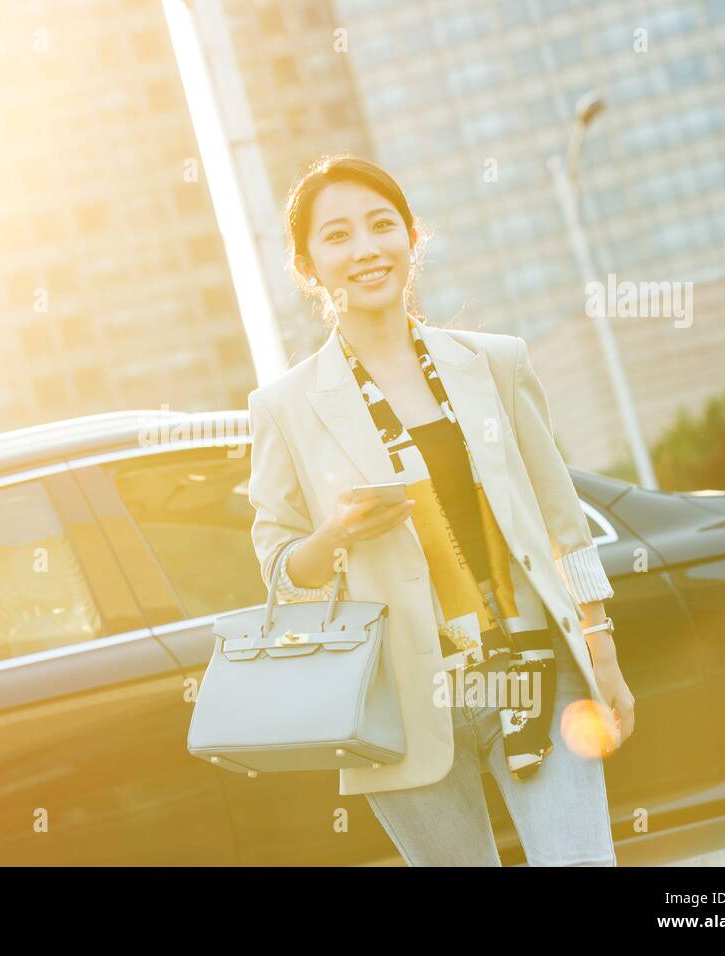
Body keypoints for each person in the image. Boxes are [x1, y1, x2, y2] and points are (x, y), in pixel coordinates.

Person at [246, 153, 636, 866]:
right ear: (307, 266)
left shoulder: (495, 361)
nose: (365, 249)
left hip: (537, 674)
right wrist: (335, 534)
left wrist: (599, 644)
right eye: (337, 236)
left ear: (412, 237)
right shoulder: (283, 408)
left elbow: (562, 522)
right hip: (399, 702)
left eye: (382, 225)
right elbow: (279, 568)